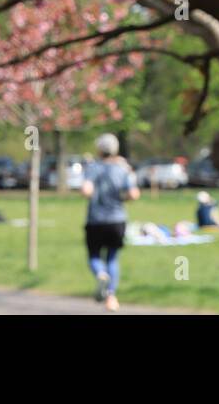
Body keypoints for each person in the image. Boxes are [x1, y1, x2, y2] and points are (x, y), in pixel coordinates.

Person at [81, 133, 139, 312]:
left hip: (96, 220)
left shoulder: (93, 167)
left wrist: (94, 193)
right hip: (117, 220)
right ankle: (111, 298)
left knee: (94, 256)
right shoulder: (122, 169)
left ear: (99, 149)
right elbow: (134, 194)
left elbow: (86, 190)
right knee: (113, 257)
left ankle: (100, 273)